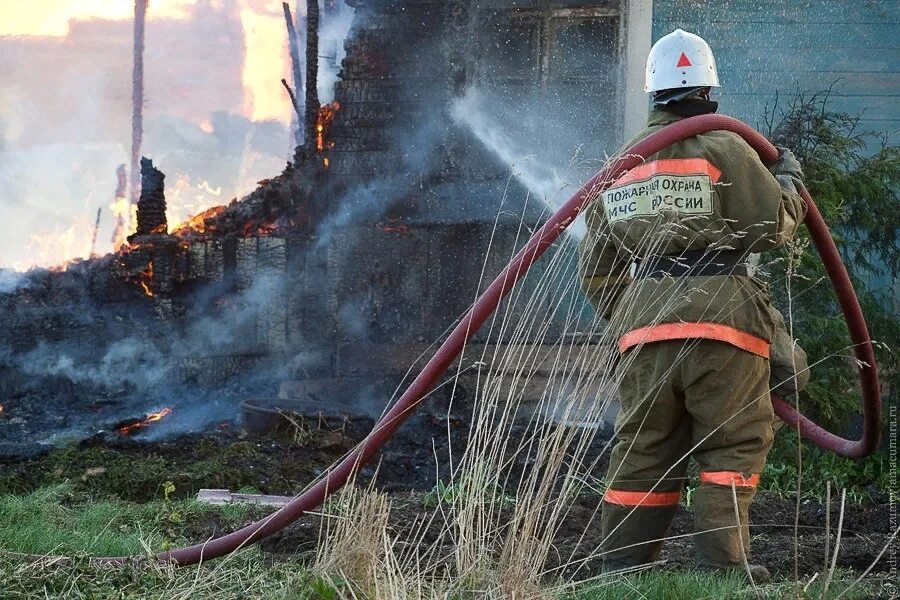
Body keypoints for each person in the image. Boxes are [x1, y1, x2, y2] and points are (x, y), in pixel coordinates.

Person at [578, 29, 809, 581]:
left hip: (643, 325)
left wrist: (637, 319)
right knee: (732, 447)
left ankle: (620, 576)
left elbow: (598, 272)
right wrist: (790, 182)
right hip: (725, 321)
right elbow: (771, 225)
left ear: (652, 92)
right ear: (709, 90)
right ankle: (722, 577)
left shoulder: (626, 162)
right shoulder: (727, 147)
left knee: (642, 451)